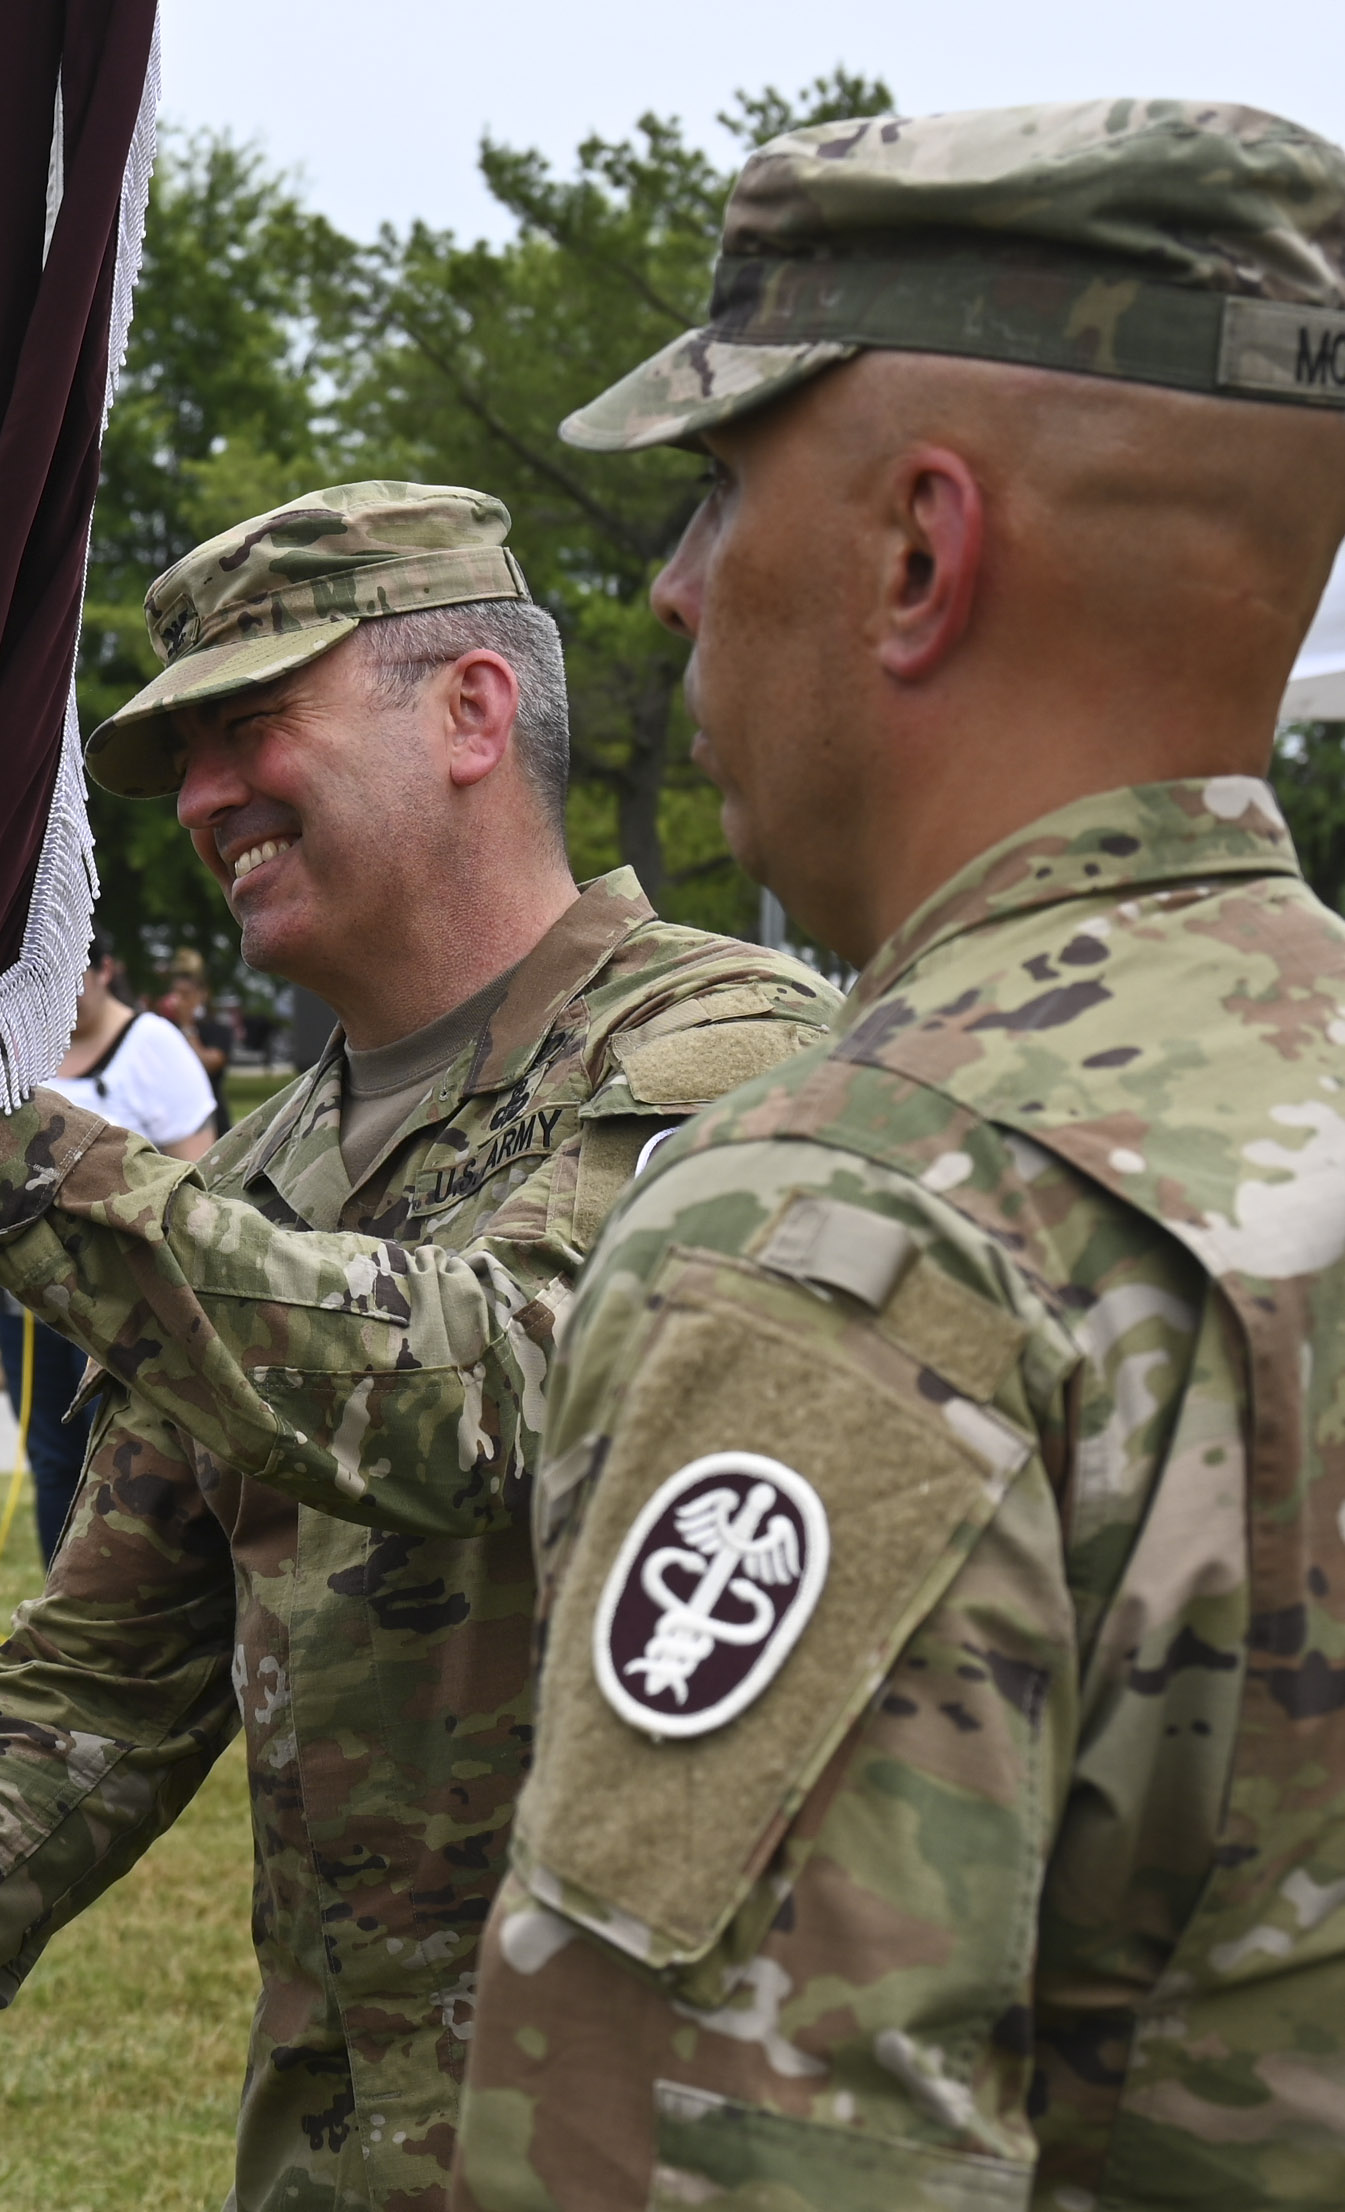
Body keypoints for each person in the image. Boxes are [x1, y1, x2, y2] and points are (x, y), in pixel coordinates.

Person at [0, 481, 836, 2205]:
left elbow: (510, 1387)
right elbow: (99, 1693)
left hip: (649, 2142)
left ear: (471, 712)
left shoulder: (732, 1051)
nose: (203, 797)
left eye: (250, 722)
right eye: (182, 756)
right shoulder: (258, 1185)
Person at [440, 103, 1345, 2209]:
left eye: (720, 488)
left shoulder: (859, 1223)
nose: (672, 588)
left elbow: (704, 2156)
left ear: (919, 554)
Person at [0, 932, 218, 1561]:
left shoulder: (152, 1045)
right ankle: (59, 1597)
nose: (48, 997)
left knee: (120, 1458)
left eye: (62, 978)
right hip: (24, 1303)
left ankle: (123, 1597)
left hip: (123, 1302)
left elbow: (203, 1179)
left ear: (104, 969)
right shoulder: (22, 1045)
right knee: (51, 1460)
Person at [155, 943, 237, 1135]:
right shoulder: (165, 1029)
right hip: (174, 1122)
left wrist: (187, 1027)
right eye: (176, 994)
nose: (178, 1001)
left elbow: (210, 1064)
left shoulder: (218, 1029)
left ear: (202, 995)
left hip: (213, 1122)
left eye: (186, 995)